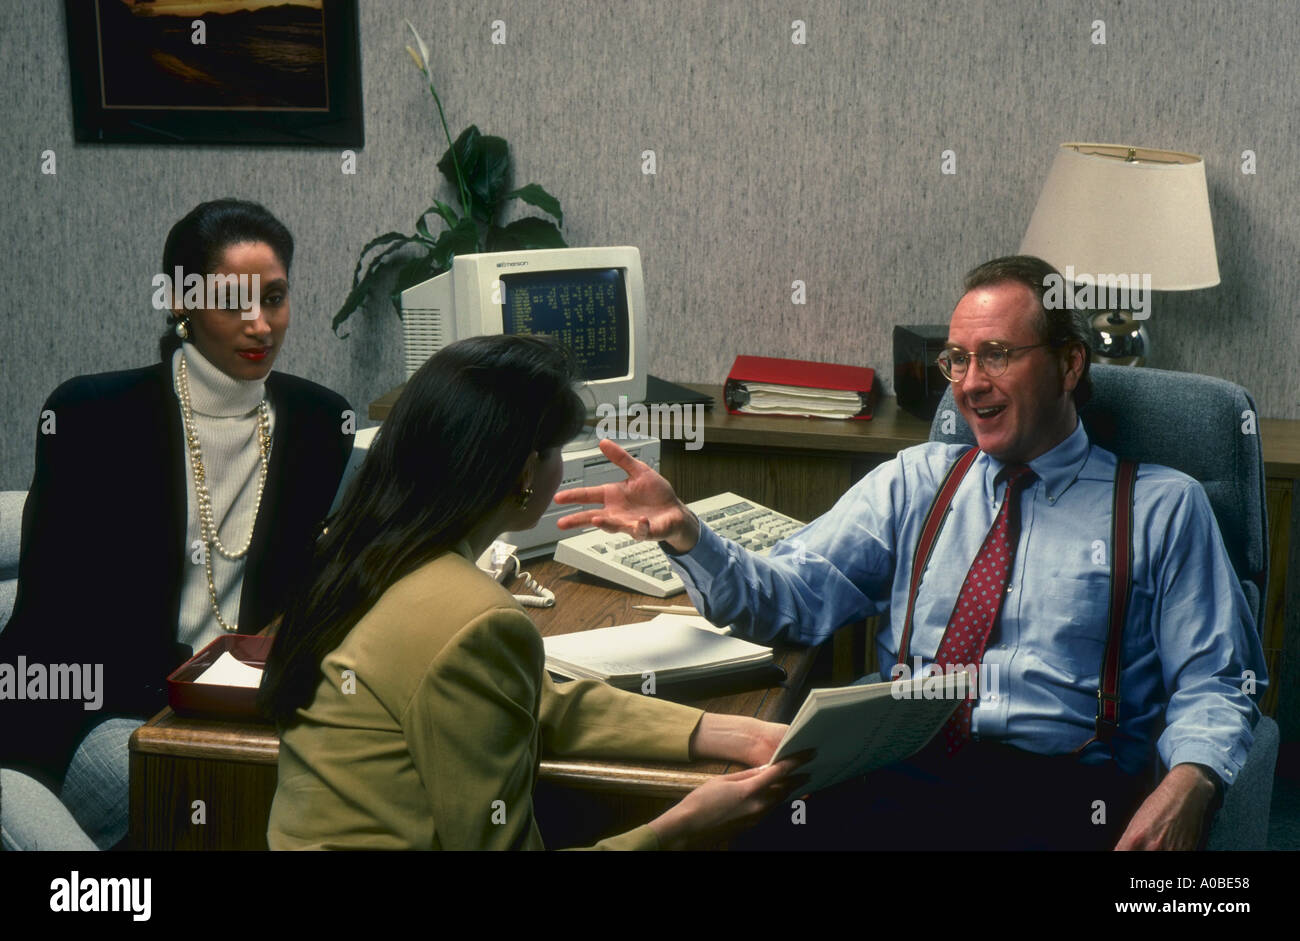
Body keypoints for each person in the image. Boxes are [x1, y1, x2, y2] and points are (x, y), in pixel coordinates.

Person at [554, 255, 1268, 851]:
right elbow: (791, 599)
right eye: (958, 358)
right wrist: (686, 533)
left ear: (1069, 363)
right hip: (900, 767)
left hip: (1061, 796)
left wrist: (1191, 781)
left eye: (997, 355)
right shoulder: (917, 479)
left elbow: (1218, 681)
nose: (969, 383)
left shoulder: (1163, 506)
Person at [261, 334, 803, 850]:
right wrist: (684, 825)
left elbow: (533, 702)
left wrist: (720, 731)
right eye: (559, 449)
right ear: (525, 471)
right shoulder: (476, 620)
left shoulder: (358, 556)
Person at [0, 199, 353, 850]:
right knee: (215, 801)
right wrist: (190, 693)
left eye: (274, 297)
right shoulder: (92, 417)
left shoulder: (319, 422)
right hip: (102, 707)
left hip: (259, 701)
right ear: (180, 305)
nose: (259, 324)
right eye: (233, 301)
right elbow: (52, 622)